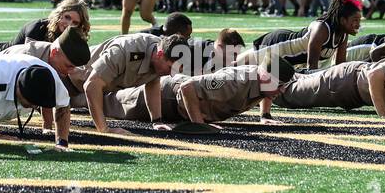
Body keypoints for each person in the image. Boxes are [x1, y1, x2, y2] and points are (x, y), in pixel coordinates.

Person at [105, 58, 295, 125]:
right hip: (167, 97)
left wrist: (265, 114)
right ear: (265, 78)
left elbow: (267, 91)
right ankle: (79, 90)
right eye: (280, 85)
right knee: (106, 103)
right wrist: (199, 124)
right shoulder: (234, 82)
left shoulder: (266, 83)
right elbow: (187, 88)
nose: (282, 91)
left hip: (179, 107)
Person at [72, 33, 186, 133]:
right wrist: (104, 128)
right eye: (170, 67)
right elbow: (91, 85)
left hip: (88, 89)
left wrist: (157, 121)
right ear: (160, 54)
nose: (171, 74)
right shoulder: (127, 49)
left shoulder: (159, 53)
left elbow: (153, 83)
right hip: (68, 79)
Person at [233, 0, 363, 69]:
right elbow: (311, 66)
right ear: (342, 20)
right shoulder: (322, 29)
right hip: (277, 45)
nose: (358, 24)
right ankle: (214, 72)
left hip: (288, 61)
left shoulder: (343, 35)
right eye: (355, 20)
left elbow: (340, 66)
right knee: (235, 67)